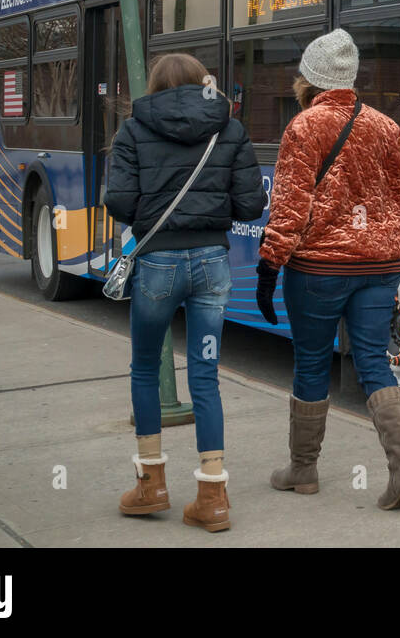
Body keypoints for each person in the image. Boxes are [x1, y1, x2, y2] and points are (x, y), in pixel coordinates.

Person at [255, 29, 400, 510]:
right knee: (373, 362)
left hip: (319, 270)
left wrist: (270, 267)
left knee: (312, 362)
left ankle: (303, 470)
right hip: (381, 265)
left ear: (310, 78)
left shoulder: (304, 128)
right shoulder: (387, 127)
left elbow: (289, 205)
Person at [104, 52, 265, 532]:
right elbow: (252, 203)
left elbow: (119, 202)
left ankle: (151, 485)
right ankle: (213, 494)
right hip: (213, 265)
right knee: (205, 375)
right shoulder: (228, 128)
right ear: (203, 84)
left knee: (145, 369)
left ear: (155, 86)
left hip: (157, 265)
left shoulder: (133, 130)